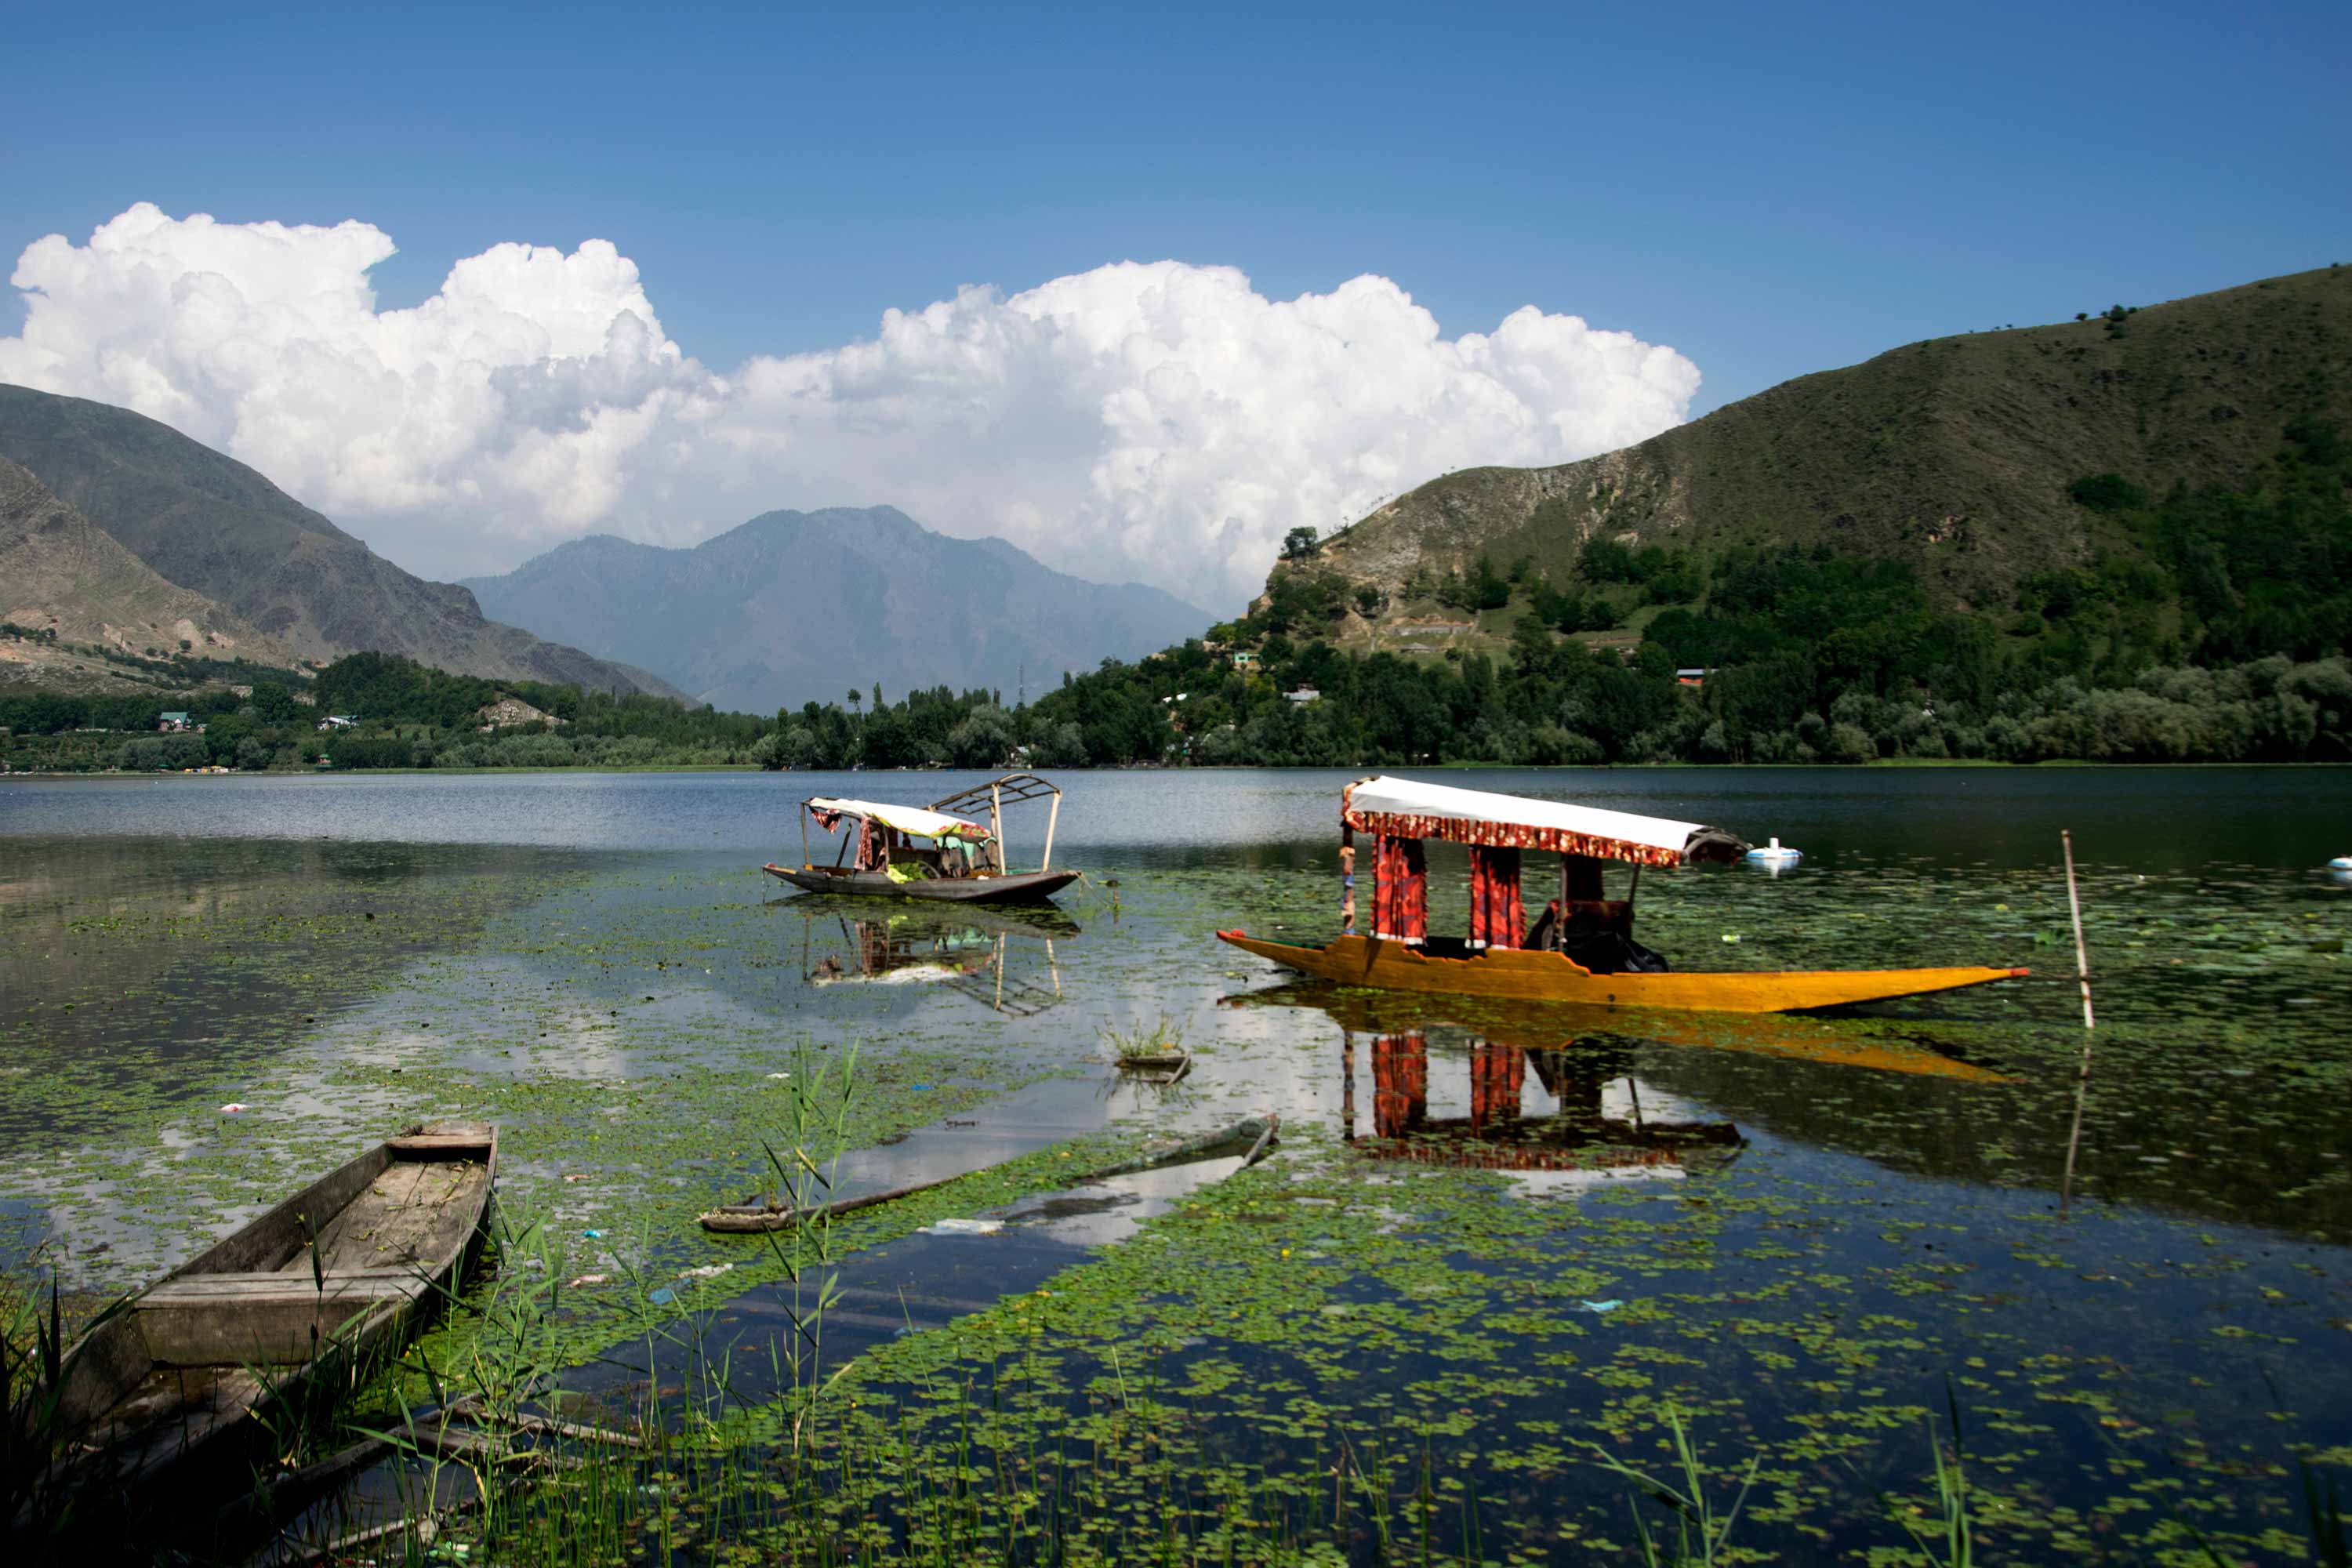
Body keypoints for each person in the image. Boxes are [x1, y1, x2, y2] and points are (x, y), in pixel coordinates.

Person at [1338, 842, 1357, 932]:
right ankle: (1349, 856)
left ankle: (1349, 855)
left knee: (1347, 874)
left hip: (1348, 902)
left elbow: (1349, 890)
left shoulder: (1349, 905)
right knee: (1347, 874)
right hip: (1347, 901)